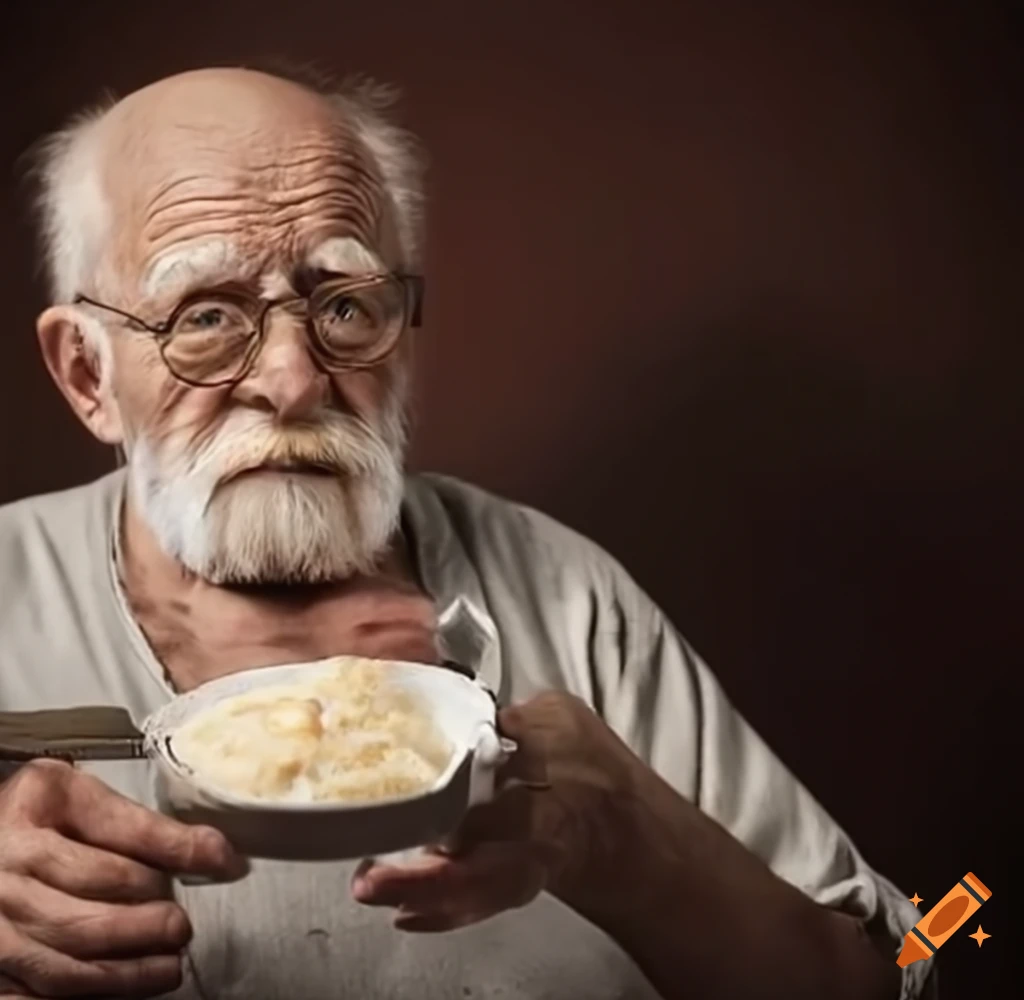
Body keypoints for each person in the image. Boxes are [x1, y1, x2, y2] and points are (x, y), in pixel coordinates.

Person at [0, 66, 930, 1000]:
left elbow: (913, 964)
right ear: (88, 373)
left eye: (345, 305)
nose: (293, 381)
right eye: (205, 315)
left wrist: (636, 846)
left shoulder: (568, 601)